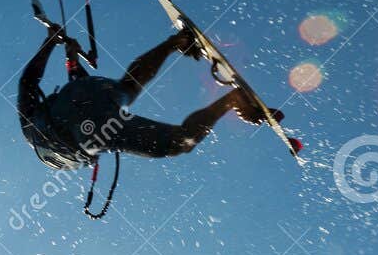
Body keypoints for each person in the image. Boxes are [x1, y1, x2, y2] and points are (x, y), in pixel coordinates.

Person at [17, 21, 279, 171]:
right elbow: (28, 82)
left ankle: (232, 100)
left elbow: (84, 118)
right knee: (125, 88)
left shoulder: (67, 153)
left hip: (93, 134)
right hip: (82, 93)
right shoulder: (30, 127)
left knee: (178, 142)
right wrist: (53, 45)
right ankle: (176, 42)